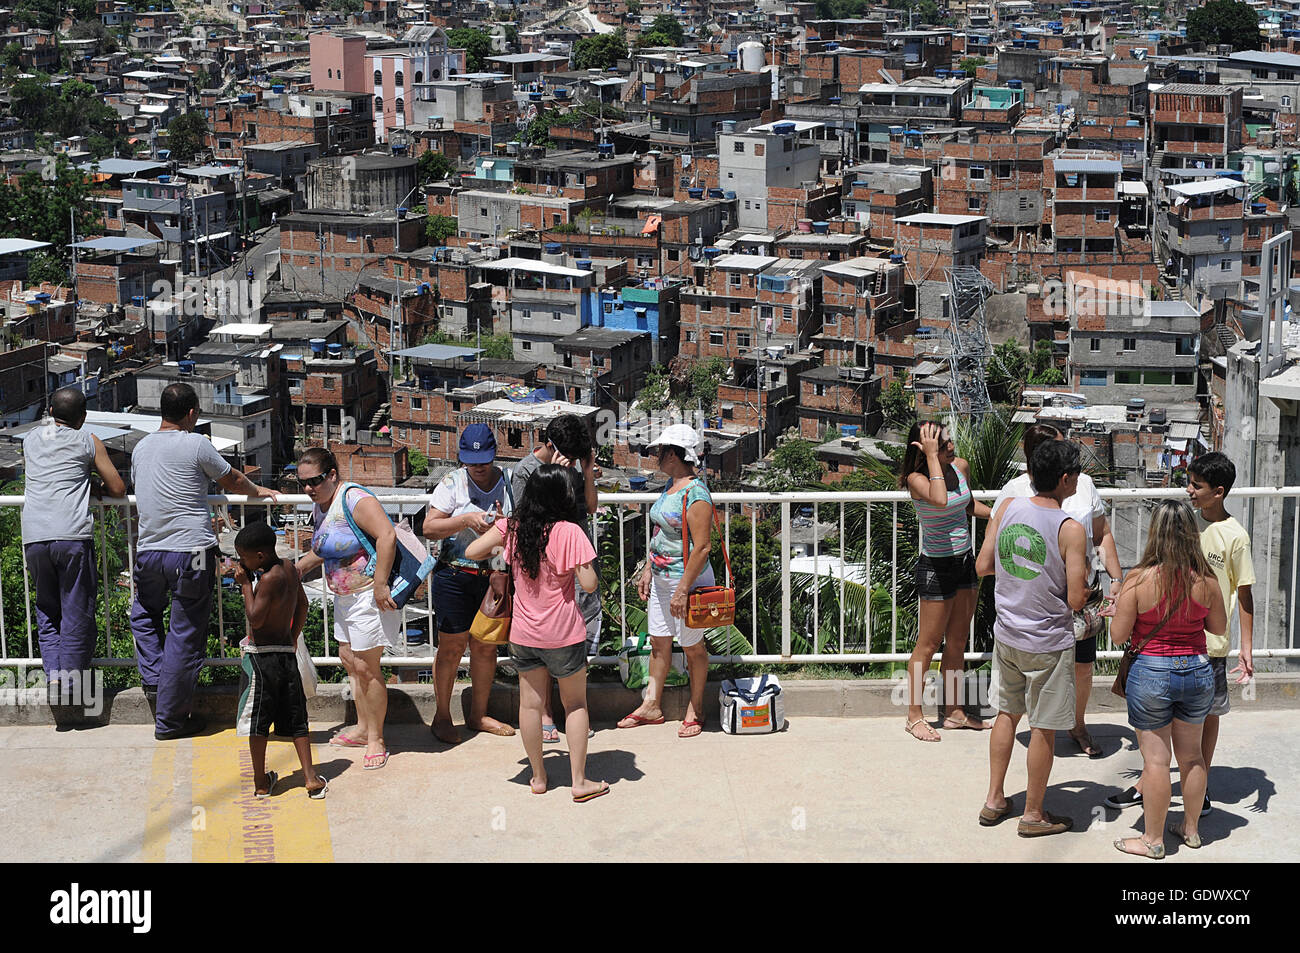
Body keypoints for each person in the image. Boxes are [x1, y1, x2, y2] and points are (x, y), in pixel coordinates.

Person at [1105, 452, 1255, 815]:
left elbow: (1246, 592)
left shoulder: (1235, 537)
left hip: (1208, 648)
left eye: (1196, 486)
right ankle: (1155, 787)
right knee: (1170, 734)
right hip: (1183, 649)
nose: (1188, 490)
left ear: (1218, 492)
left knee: (1204, 722)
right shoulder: (1188, 522)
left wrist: (1246, 648)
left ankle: (1193, 792)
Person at [131, 382, 278, 741]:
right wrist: (259, 492)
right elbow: (232, 479)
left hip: (148, 552)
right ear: (192, 413)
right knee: (184, 634)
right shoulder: (197, 444)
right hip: (191, 553)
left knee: (144, 615)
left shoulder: (140, 447)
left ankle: (156, 682)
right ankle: (170, 720)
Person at [466, 465, 608, 801]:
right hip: (564, 633)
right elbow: (589, 583)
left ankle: (539, 777)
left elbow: (472, 552)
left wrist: (499, 543)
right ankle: (578, 781)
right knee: (574, 704)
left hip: (524, 634)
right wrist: (576, 565)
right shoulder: (570, 532)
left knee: (530, 706)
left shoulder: (512, 528)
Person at [976, 439, 1088, 837]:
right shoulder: (1069, 529)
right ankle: (1034, 814)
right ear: (1064, 479)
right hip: (1048, 642)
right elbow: (1075, 598)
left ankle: (994, 800)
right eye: (1075, 473)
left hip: (1007, 634)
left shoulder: (1007, 508)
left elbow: (984, 565)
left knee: (1007, 714)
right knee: (1043, 726)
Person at [991, 423, 1123, 758]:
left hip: (1051, 610)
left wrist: (1117, 578)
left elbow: (1102, 534)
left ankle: (1076, 725)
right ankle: (1034, 807)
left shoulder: (1080, 488)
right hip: (1046, 615)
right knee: (1041, 721)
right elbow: (999, 556)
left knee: (1081, 667)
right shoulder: (1013, 495)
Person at [1108, 501, 1226, 859]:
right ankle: (1190, 830)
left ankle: (1153, 840)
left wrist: (1119, 611)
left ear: (1154, 533)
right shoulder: (1206, 580)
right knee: (1192, 758)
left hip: (1152, 672)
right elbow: (1218, 628)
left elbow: (1117, 636)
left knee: (1156, 762)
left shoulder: (1139, 579)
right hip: (1196, 670)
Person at [22, 387, 126, 718]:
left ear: (50, 410)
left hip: (35, 536)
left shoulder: (29, 439)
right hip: (71, 535)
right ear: (82, 418)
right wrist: (90, 484)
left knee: (47, 608)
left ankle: (54, 677)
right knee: (76, 611)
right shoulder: (87, 440)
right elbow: (118, 488)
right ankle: (71, 685)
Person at [293, 447, 400, 769]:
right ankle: (363, 726)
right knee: (351, 662)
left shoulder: (353, 498)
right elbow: (326, 550)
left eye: (314, 481)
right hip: (343, 596)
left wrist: (380, 585)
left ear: (332, 475)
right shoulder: (321, 505)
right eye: (303, 484)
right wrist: (293, 570)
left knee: (368, 668)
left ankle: (376, 739)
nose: (309, 489)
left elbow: (387, 536)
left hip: (368, 595)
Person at [618, 424, 715, 739]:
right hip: (661, 580)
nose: (656, 456)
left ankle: (696, 709)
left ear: (674, 453)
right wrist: (648, 568)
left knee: (692, 647)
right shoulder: (670, 487)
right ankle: (651, 704)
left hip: (687, 584)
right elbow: (661, 531)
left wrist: (683, 589)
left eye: (660, 451)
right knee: (660, 643)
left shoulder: (696, 493)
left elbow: (702, 547)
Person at [899, 421, 992, 742]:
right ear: (925, 450)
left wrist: (997, 515)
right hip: (935, 568)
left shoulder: (960, 467)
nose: (952, 447)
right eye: (944, 444)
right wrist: (932, 459)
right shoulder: (917, 479)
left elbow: (966, 505)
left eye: (950, 441)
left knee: (957, 644)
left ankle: (953, 712)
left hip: (964, 563)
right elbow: (939, 499)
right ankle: (914, 717)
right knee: (927, 646)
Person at [423, 423, 516, 743]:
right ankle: (442, 716)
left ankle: (478, 714)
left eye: (484, 460)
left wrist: (504, 524)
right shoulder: (452, 483)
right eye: (471, 460)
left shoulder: (509, 482)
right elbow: (429, 527)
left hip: (494, 577)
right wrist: (464, 520)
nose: (477, 467)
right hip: (454, 576)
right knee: (450, 648)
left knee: (486, 648)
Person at [510, 414, 600, 743]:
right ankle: (546, 712)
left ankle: (573, 713)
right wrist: (561, 476)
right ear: (551, 445)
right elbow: (527, 523)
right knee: (542, 644)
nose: (574, 461)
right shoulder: (524, 471)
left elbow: (588, 509)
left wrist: (585, 475)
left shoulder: (575, 467)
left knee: (573, 640)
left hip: (577, 562)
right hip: (545, 570)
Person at [232, 522, 327, 799]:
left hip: (262, 659)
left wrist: (246, 586)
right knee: (298, 719)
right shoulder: (288, 568)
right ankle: (310, 776)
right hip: (286, 655)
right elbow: (303, 605)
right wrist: (293, 636)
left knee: (258, 723)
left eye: (244, 557)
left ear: (259, 557)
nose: (241, 562)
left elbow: (255, 617)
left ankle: (261, 782)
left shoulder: (267, 580)